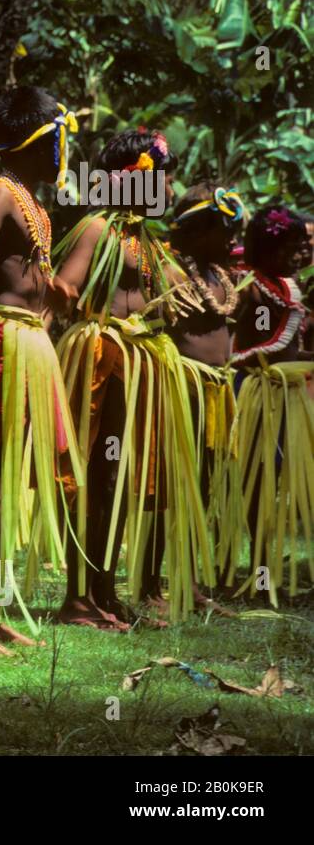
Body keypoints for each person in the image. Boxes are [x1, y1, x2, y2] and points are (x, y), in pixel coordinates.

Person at [0, 86, 82, 654]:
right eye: (61, 139)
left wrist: (52, 291)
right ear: (40, 139)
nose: (64, 151)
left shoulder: (30, 202)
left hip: (28, 343)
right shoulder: (0, 192)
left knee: (5, 490)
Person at [51, 128, 205, 625]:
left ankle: (103, 591)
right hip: (102, 358)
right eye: (161, 181)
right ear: (132, 181)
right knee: (93, 475)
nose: (169, 193)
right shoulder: (98, 229)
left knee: (117, 479)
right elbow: (65, 288)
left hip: (138, 363)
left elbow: (166, 296)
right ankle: (78, 597)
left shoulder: (146, 240)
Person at [164, 183, 244, 612]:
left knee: (206, 485)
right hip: (184, 388)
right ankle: (164, 583)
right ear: (195, 231)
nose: (231, 239)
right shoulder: (172, 269)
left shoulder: (222, 276)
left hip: (219, 391)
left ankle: (192, 583)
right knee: (179, 486)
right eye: (223, 229)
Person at [229, 203, 314, 604]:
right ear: (268, 248)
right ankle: (259, 579)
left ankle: (264, 576)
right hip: (257, 395)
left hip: (284, 399)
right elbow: (251, 345)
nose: (300, 255)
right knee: (258, 488)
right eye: (293, 246)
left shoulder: (281, 286)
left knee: (276, 487)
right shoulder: (253, 288)